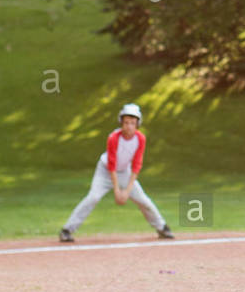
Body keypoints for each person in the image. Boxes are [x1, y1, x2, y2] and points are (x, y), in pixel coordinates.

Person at [59, 103, 174, 241]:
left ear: (138, 124)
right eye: (126, 122)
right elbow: (112, 165)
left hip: (125, 172)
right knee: (93, 197)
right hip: (105, 171)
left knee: (143, 200)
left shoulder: (140, 139)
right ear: (121, 123)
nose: (129, 126)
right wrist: (117, 191)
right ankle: (67, 230)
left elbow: (137, 164)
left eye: (132, 122)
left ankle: (162, 228)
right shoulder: (114, 137)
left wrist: (127, 190)